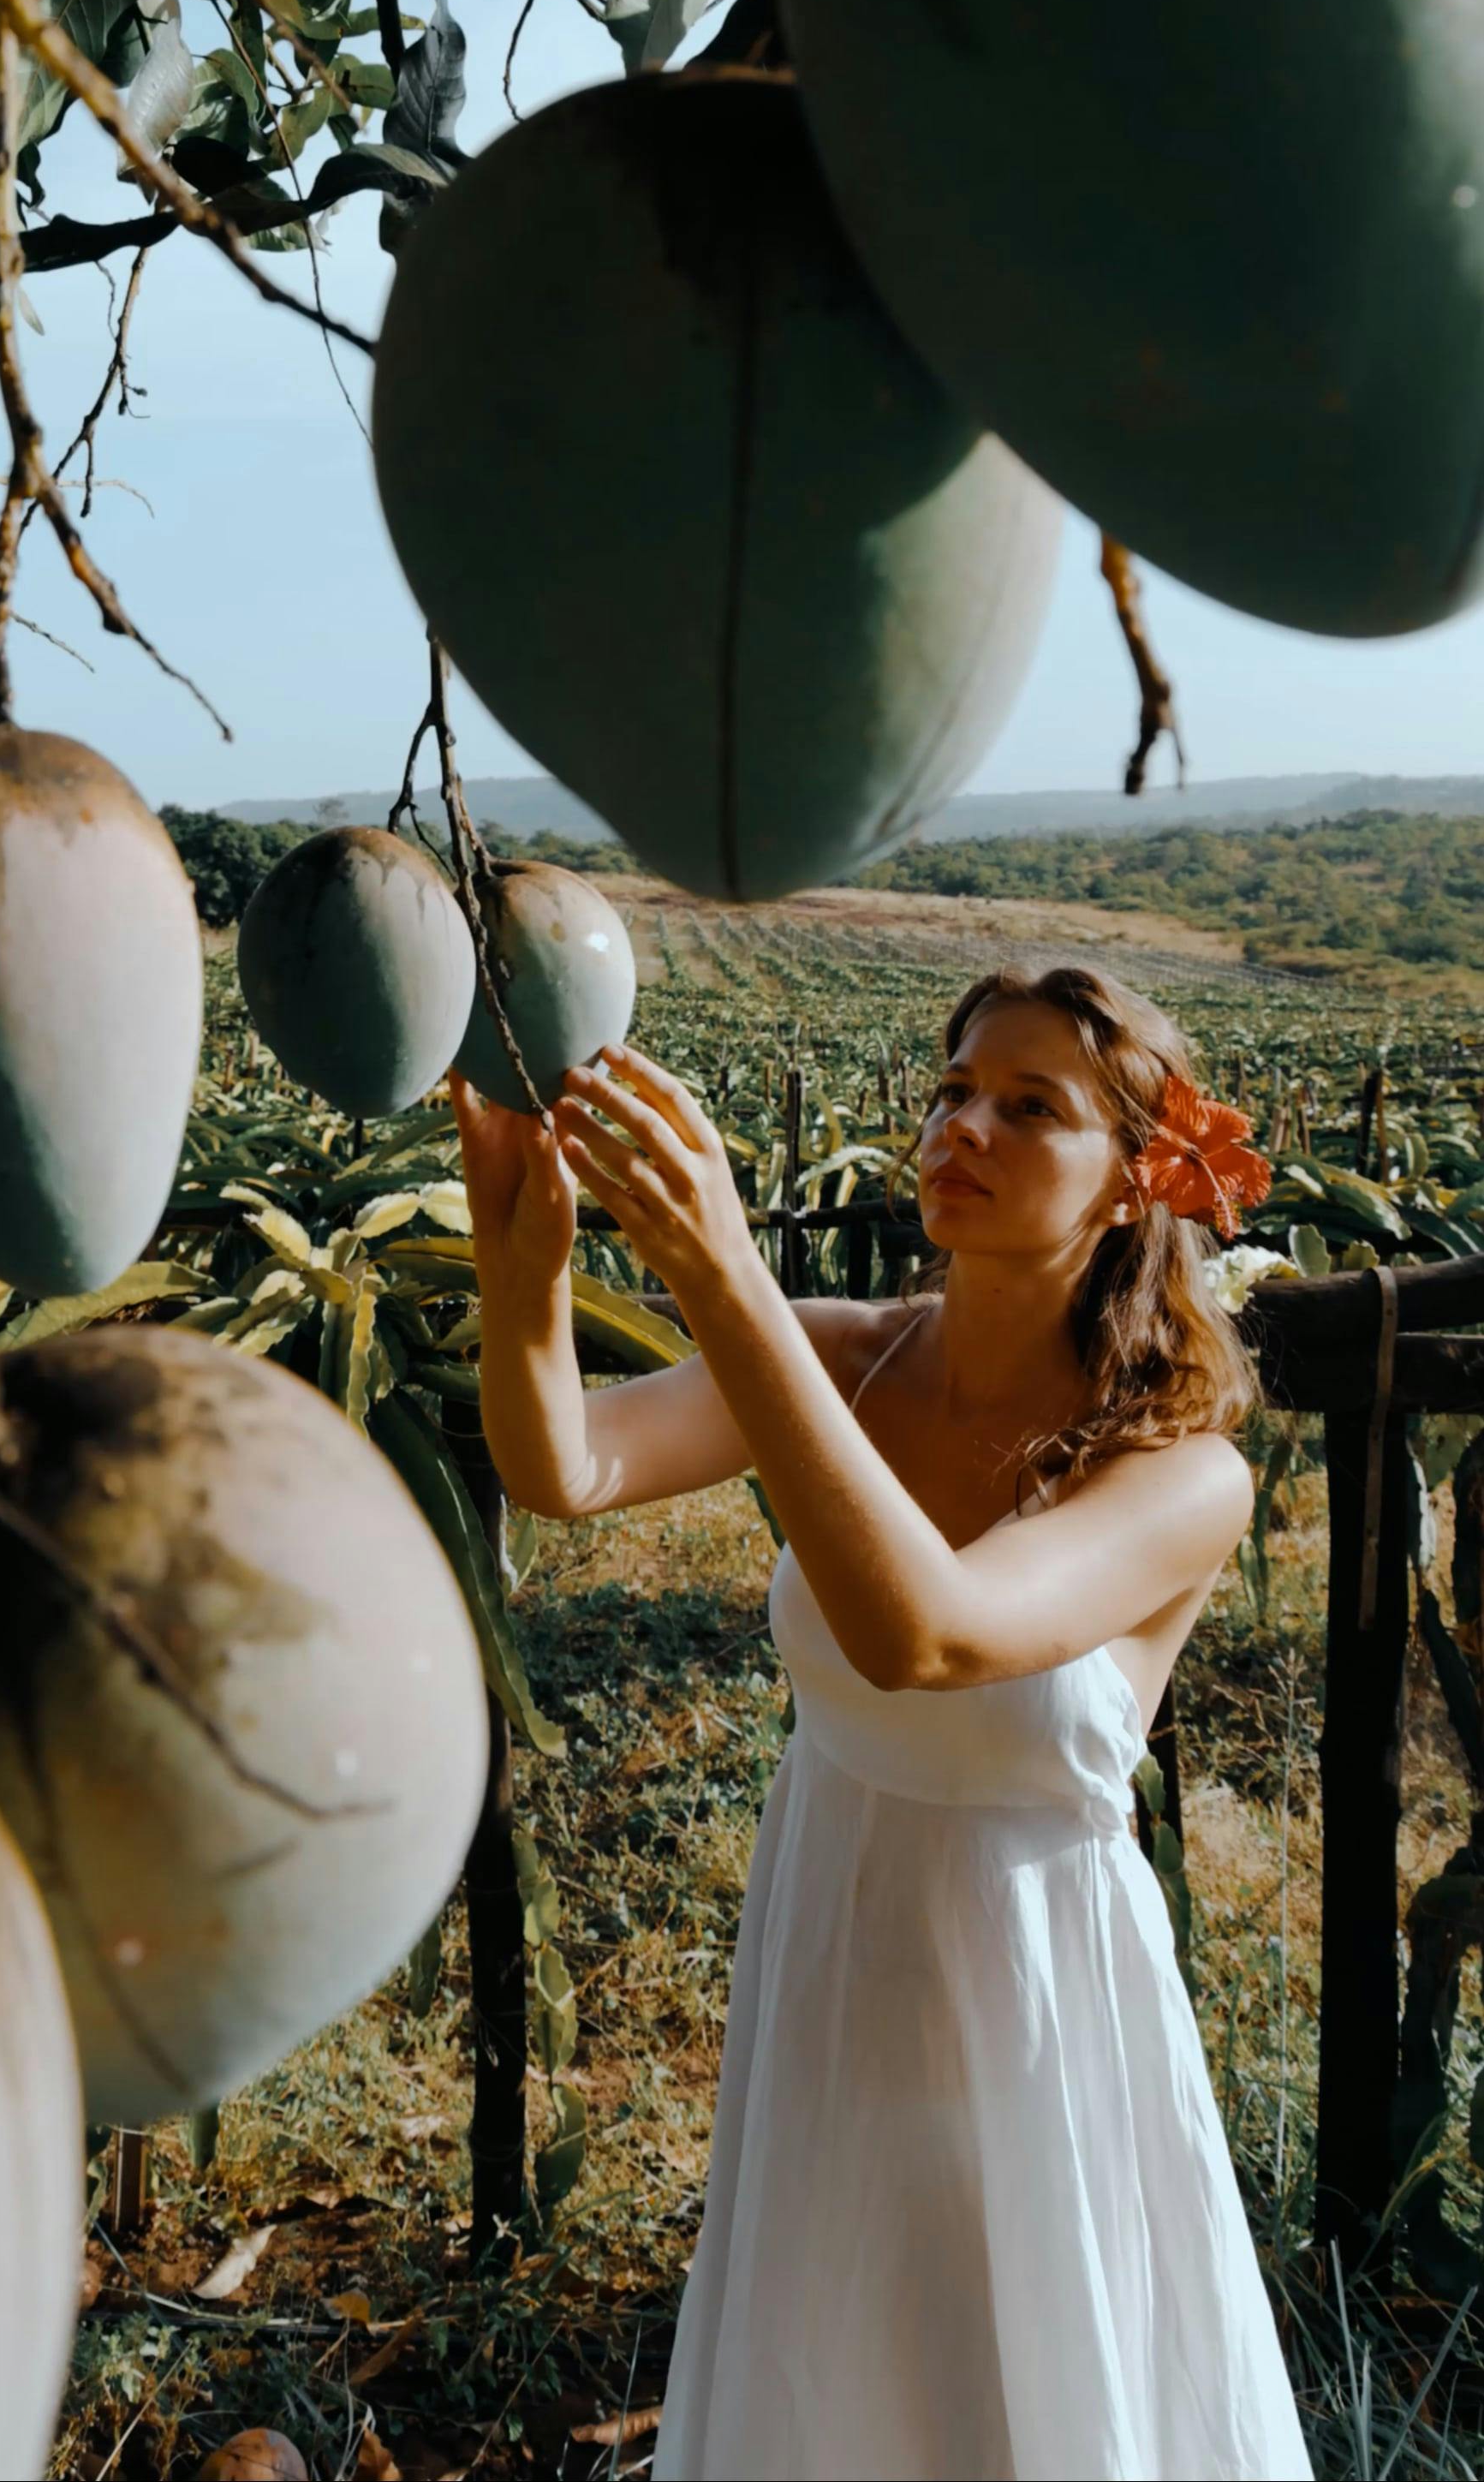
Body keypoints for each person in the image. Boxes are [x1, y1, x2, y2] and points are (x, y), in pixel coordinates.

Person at [450, 959, 1313, 2482]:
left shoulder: (1183, 1473)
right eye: (949, 1090)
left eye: (1026, 1106)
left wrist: (725, 1280)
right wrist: (519, 1256)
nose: (959, 1127)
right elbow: (565, 1466)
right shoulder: (847, 1353)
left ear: (1130, 1184)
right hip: (838, 1950)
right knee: (833, 2378)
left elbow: (923, 1632)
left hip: (1039, 2013)